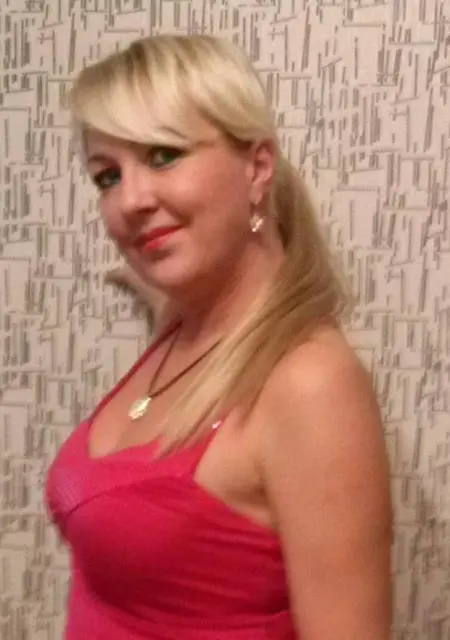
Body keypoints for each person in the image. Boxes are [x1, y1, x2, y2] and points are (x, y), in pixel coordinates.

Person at [46, 34, 393, 640]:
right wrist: (142, 280)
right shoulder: (190, 324)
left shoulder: (309, 384)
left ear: (257, 168)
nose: (130, 201)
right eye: (107, 176)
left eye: (163, 155)